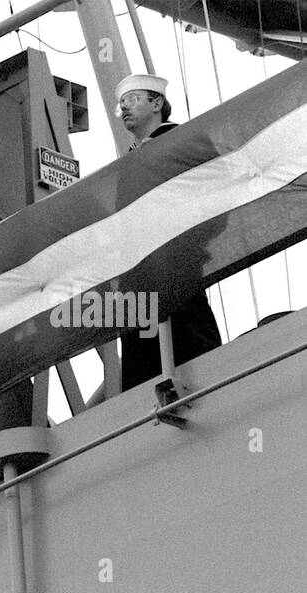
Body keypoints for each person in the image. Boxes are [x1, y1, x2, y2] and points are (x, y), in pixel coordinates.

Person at [115, 73, 222, 390]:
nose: (124, 109)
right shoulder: (132, 160)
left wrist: (183, 238)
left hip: (175, 264)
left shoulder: (185, 141)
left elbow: (217, 192)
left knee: (189, 342)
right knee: (141, 365)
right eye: (121, 104)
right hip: (138, 276)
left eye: (132, 100)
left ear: (157, 103)